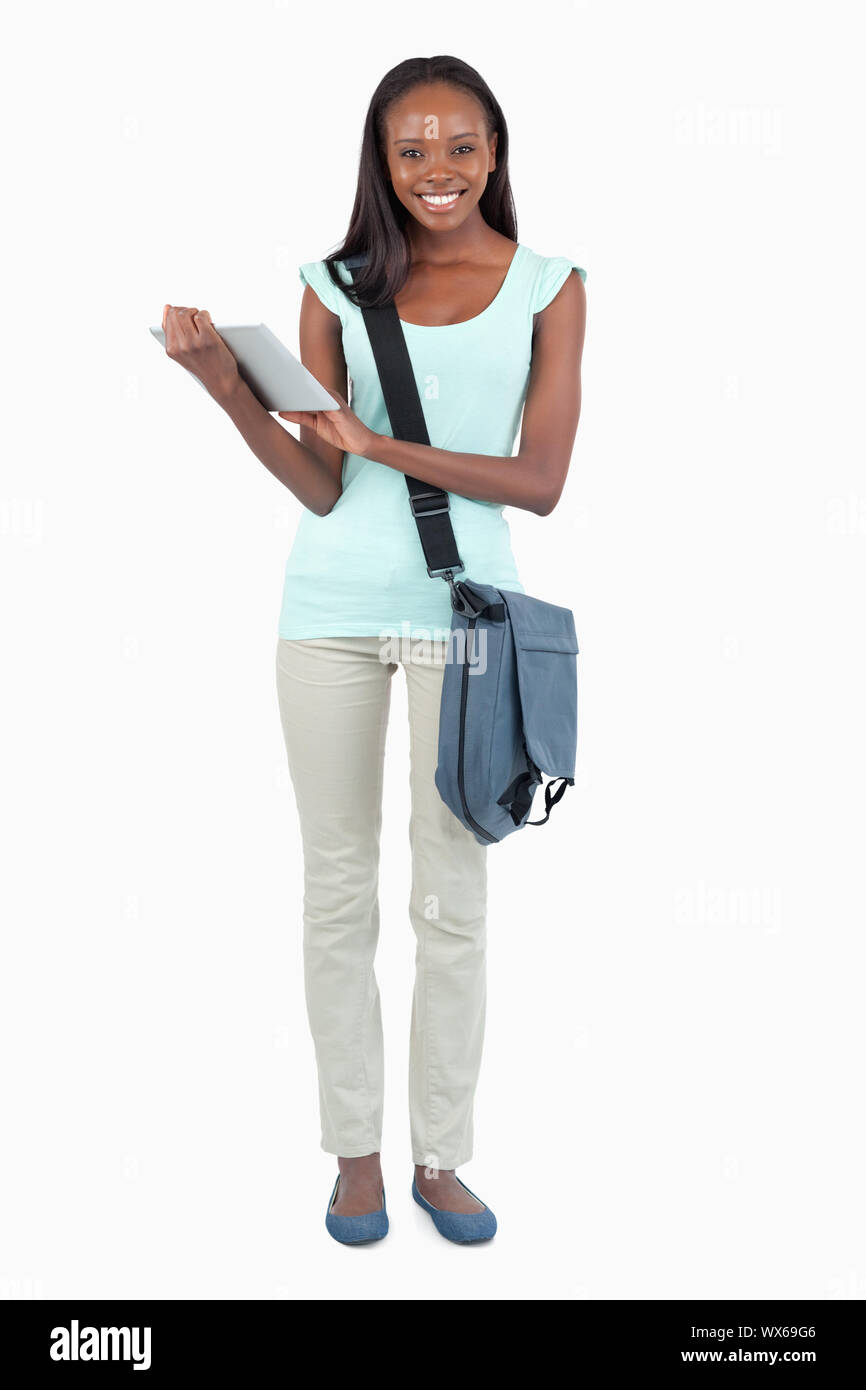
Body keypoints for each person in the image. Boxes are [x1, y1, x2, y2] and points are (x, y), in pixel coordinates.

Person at [160, 54, 587, 1245]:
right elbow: (318, 479)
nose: (436, 170)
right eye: (410, 150)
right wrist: (224, 391)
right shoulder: (333, 284)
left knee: (452, 894)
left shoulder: (548, 287)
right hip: (329, 613)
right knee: (335, 890)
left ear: (494, 152)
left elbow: (540, 482)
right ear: (380, 162)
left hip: (468, 620)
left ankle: (439, 1156)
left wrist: (380, 442)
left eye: (458, 146)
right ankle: (355, 1157)